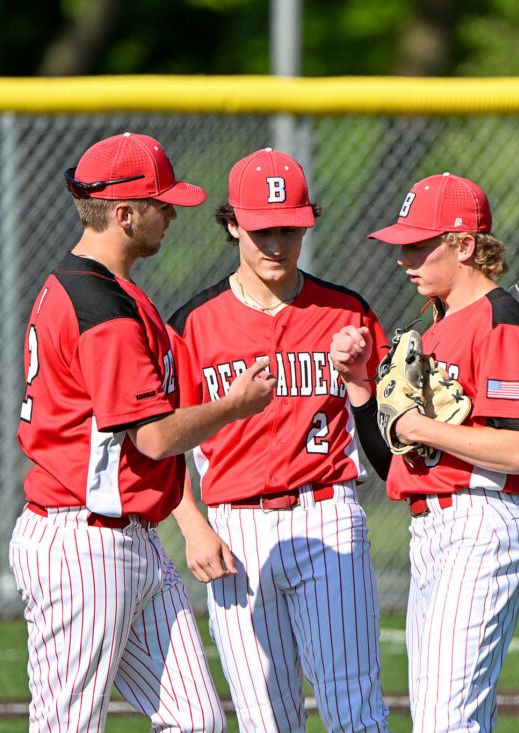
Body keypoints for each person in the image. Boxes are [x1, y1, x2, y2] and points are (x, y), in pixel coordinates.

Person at [11, 132, 277, 732]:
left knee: (197, 721)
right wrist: (236, 405)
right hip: (83, 539)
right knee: (68, 724)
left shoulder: (102, 290)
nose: (174, 213)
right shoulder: (100, 307)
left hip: (131, 536)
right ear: (124, 213)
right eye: (162, 203)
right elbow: (152, 437)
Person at [166, 147, 392, 732]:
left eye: (290, 228)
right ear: (233, 222)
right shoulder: (192, 324)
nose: (276, 243)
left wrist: (363, 375)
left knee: (355, 708)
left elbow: (385, 426)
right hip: (233, 526)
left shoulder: (346, 311)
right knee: (265, 719)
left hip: (327, 515)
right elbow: (160, 442)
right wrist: (193, 526)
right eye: (262, 229)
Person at [365, 172, 519, 733]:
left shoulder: (499, 321)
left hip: (480, 521)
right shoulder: (436, 324)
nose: (404, 258)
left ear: (464, 245)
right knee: (447, 717)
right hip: (432, 526)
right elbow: (395, 460)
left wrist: (422, 426)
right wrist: (356, 389)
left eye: (419, 245)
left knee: (446, 721)